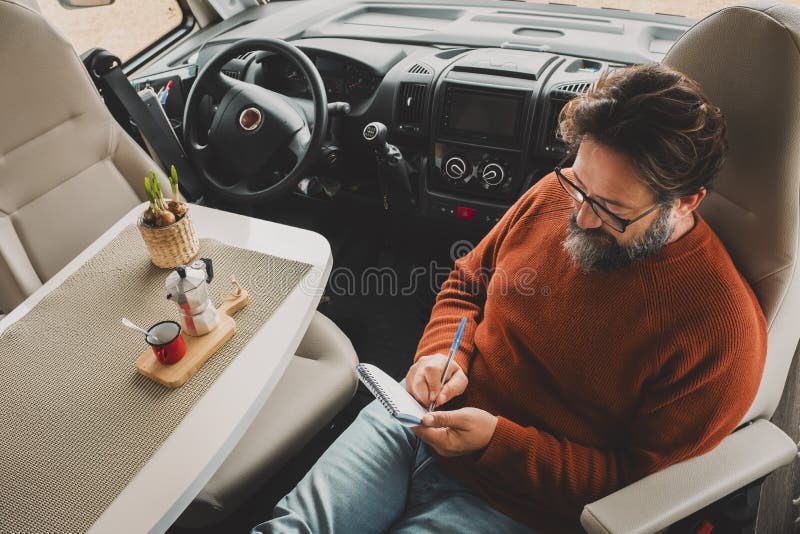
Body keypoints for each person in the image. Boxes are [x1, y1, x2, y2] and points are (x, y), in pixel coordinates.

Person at [253, 63, 766, 533]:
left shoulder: (720, 333)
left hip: (515, 504)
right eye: (580, 187)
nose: (581, 218)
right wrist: (441, 353)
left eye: (611, 210)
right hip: (412, 420)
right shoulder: (554, 193)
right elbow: (467, 284)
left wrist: (498, 443)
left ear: (687, 200)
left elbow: (636, 481)